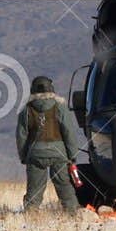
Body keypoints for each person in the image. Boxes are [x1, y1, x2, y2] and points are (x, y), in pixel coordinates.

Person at [16, 76, 83, 214]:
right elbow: (68, 132)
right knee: (63, 184)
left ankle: (31, 213)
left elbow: (21, 135)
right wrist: (72, 155)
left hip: (35, 153)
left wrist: (24, 156)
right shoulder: (60, 106)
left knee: (35, 188)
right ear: (51, 89)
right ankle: (72, 213)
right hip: (59, 153)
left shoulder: (26, 109)